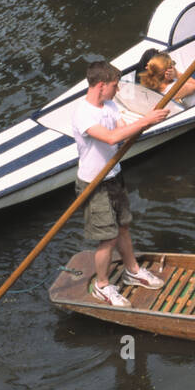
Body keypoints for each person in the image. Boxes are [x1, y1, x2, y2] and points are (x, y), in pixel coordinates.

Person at [70, 61, 171, 307]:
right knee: (107, 237)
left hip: (114, 176)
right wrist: (145, 121)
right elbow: (111, 137)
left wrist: (145, 123)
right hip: (94, 184)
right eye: (115, 86)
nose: (118, 91)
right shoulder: (83, 114)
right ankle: (102, 285)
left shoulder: (110, 105)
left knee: (123, 227)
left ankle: (132, 271)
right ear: (101, 85)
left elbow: (122, 133)